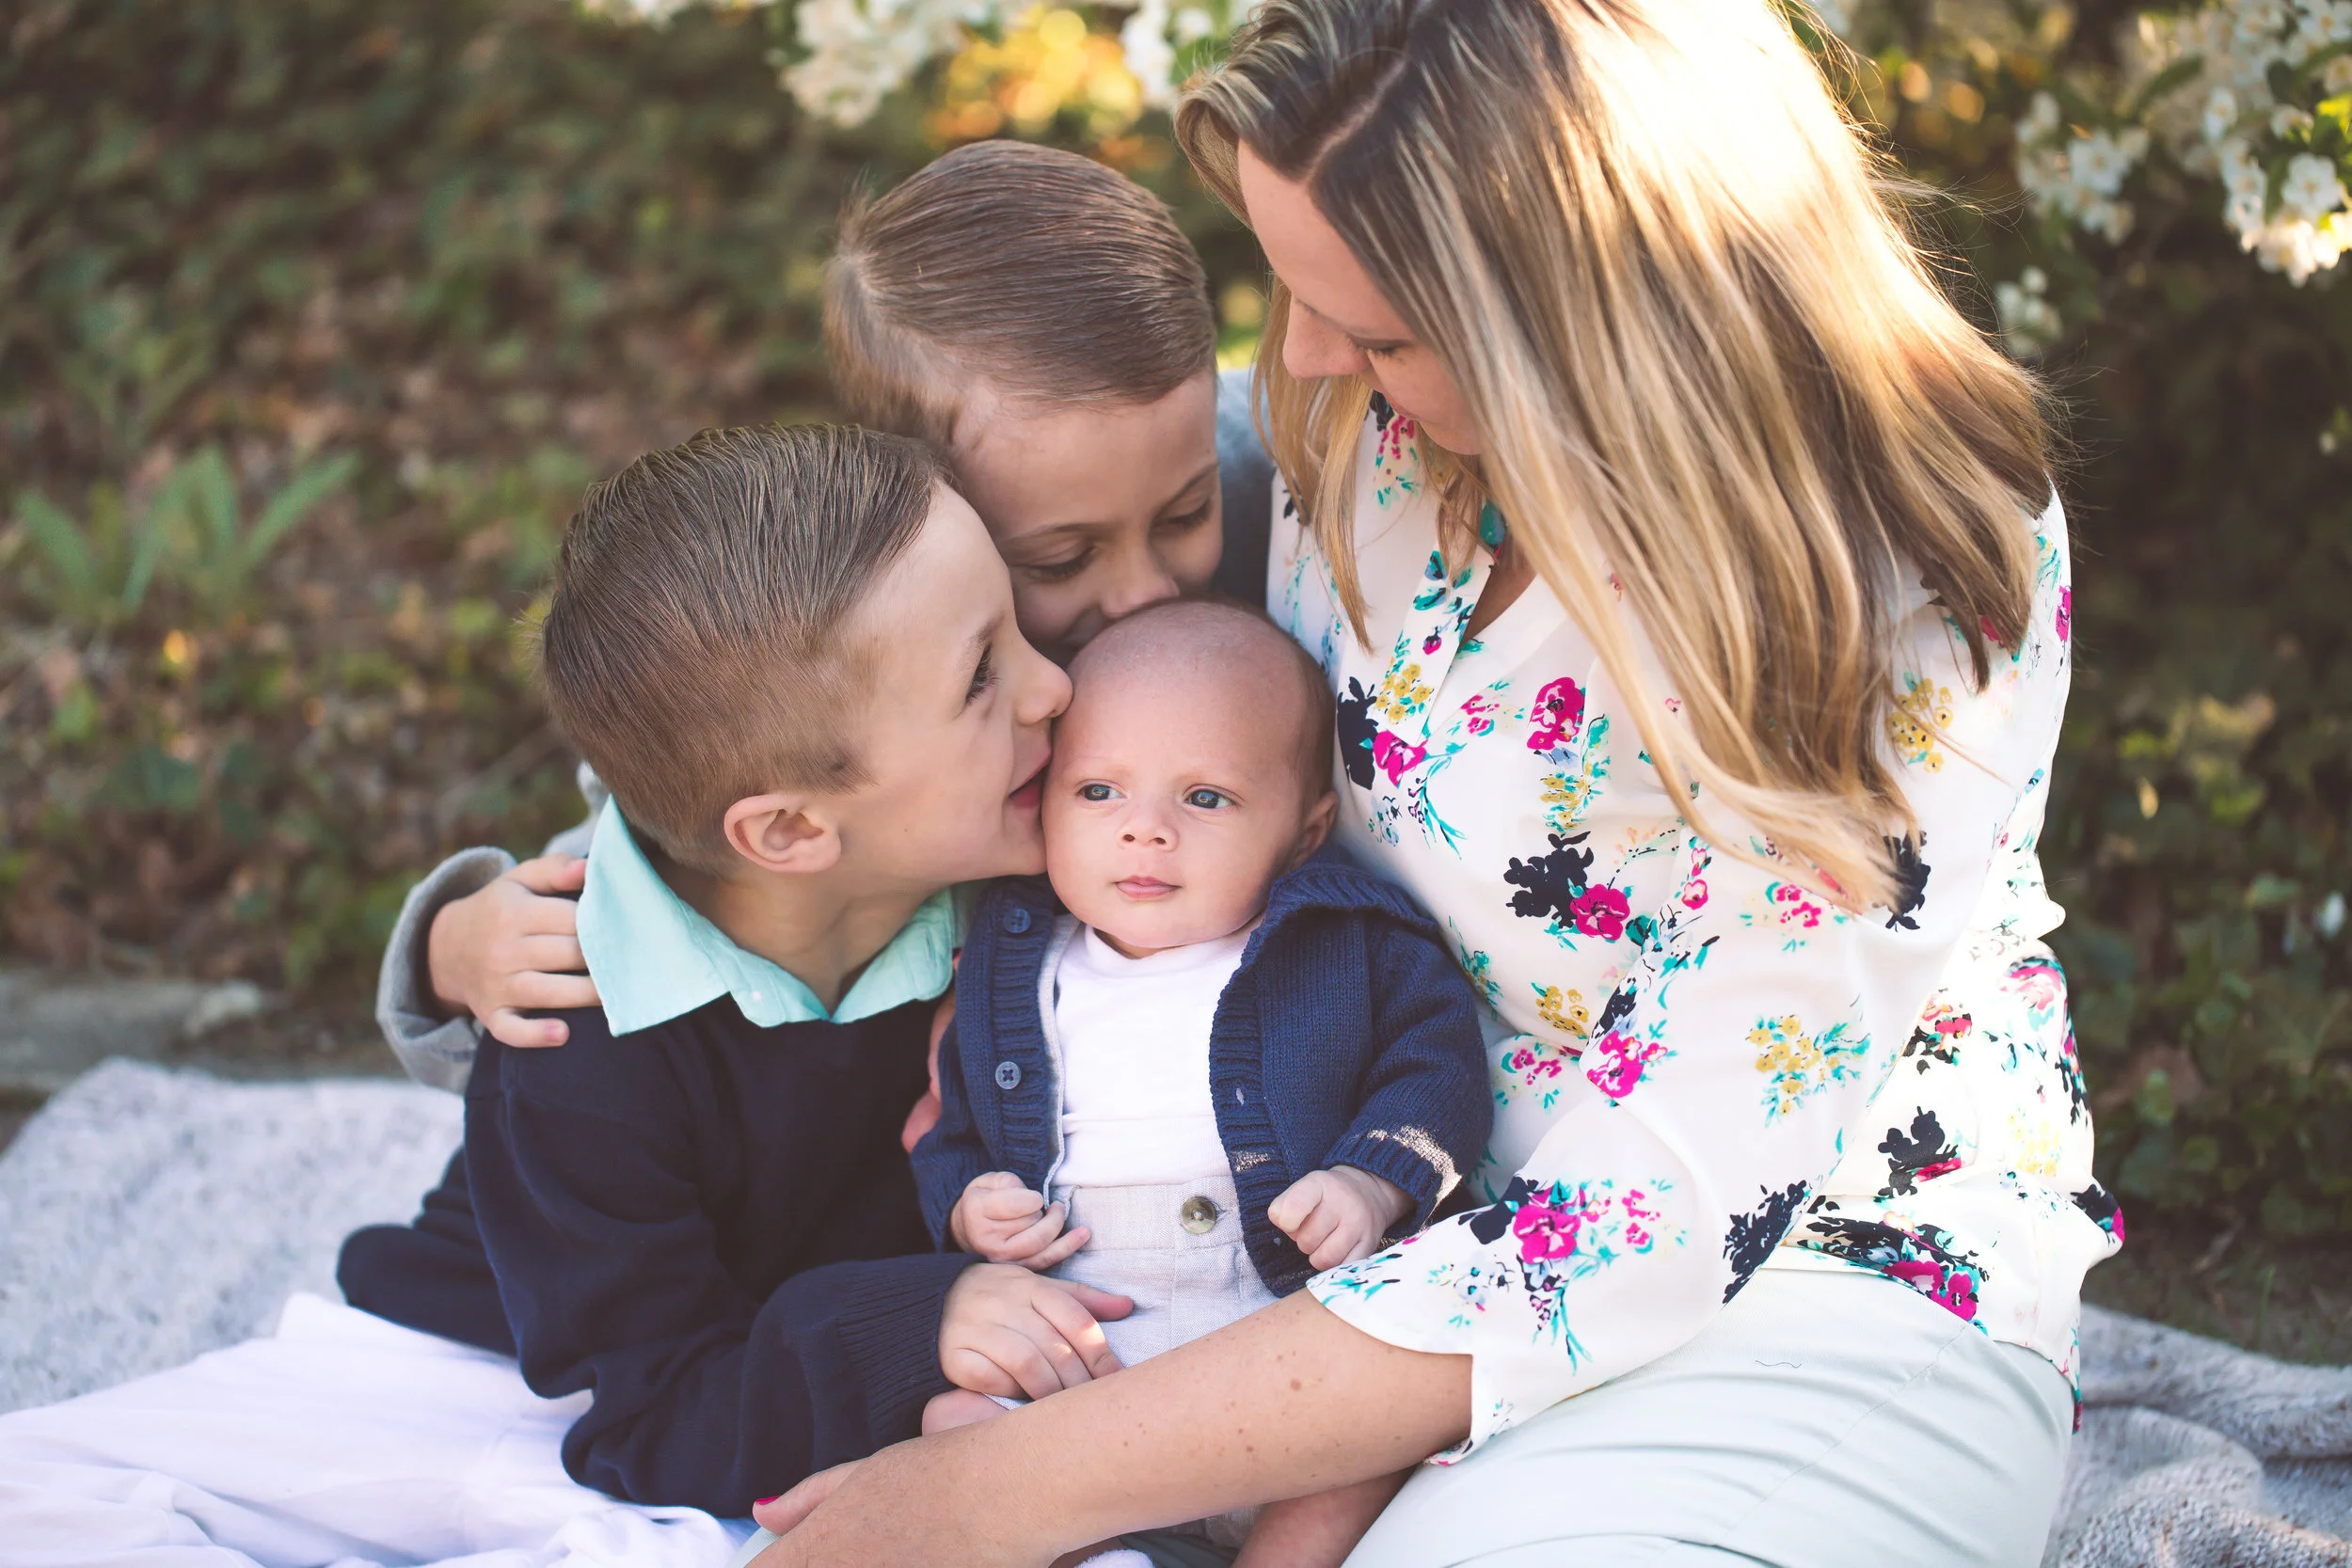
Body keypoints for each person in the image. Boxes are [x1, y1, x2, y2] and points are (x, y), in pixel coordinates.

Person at [746, 1, 2122, 1563]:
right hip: (1335, 1239)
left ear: (1587, 304)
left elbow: (1666, 1209)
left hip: (1791, 1292)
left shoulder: (1902, 567)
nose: (1308, 360)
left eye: (1380, 325)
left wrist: (1002, 1491)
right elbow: (934, 593)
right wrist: (627, 878)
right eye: (1292, 292)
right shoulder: (1359, 425)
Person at [0, 424, 1110, 1563]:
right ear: (787, 829)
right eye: (983, 675)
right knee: (40, 1501)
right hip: (478, 1364)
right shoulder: (578, 1017)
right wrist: (915, 1325)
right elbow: (645, 1407)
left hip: (757, 1389)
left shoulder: (1016, 890)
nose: (1056, 685)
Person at [388, 139, 1276, 1081]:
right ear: (926, 511)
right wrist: (449, 952)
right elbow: (685, 820)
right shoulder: (868, 639)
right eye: (1060, 557)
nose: (1143, 592)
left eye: (1186, 512)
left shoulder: (1261, 472)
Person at [914, 599, 1490, 1567]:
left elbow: (1436, 1075)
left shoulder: (1347, 944)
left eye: (1206, 798)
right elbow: (953, 1125)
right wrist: (969, 1206)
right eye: (1098, 792)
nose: (1145, 832)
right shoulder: (1008, 962)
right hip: (1085, 1381)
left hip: (1288, 1373)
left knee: (1368, 1455)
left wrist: (1369, 1180)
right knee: (951, 1422)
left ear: (1305, 831)